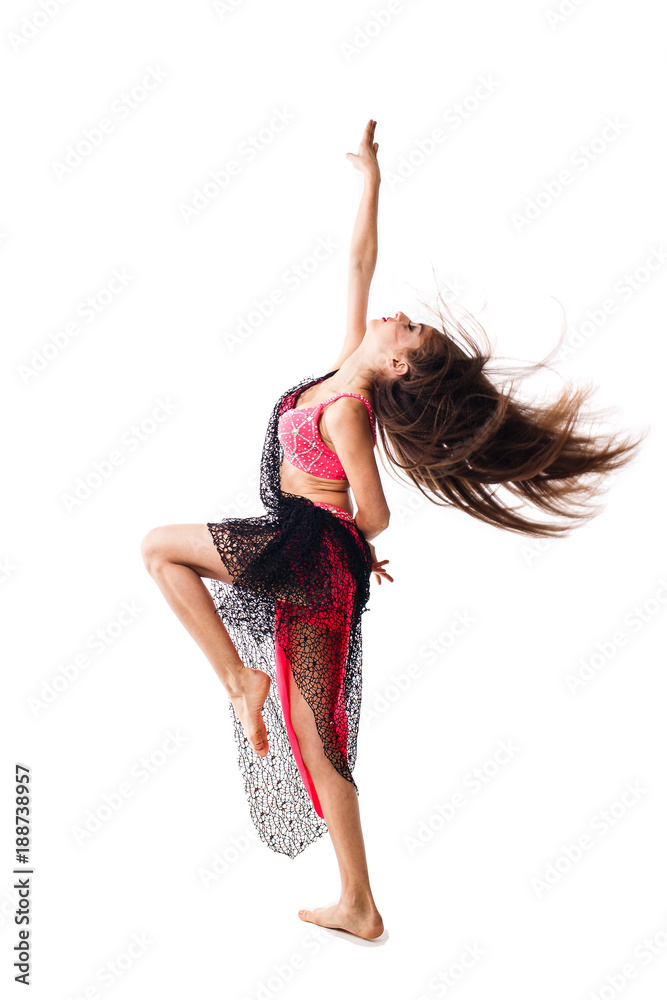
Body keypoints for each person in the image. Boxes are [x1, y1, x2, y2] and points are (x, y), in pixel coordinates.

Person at [140, 119, 644, 942]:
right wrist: (370, 178)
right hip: (307, 557)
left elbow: (373, 510)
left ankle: (343, 876)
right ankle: (352, 891)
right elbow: (358, 263)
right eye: (401, 320)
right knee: (301, 719)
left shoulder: (347, 410)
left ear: (399, 366)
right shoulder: (341, 364)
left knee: (179, 568)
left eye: (405, 330)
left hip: (311, 562)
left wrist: (347, 534)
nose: (396, 316)